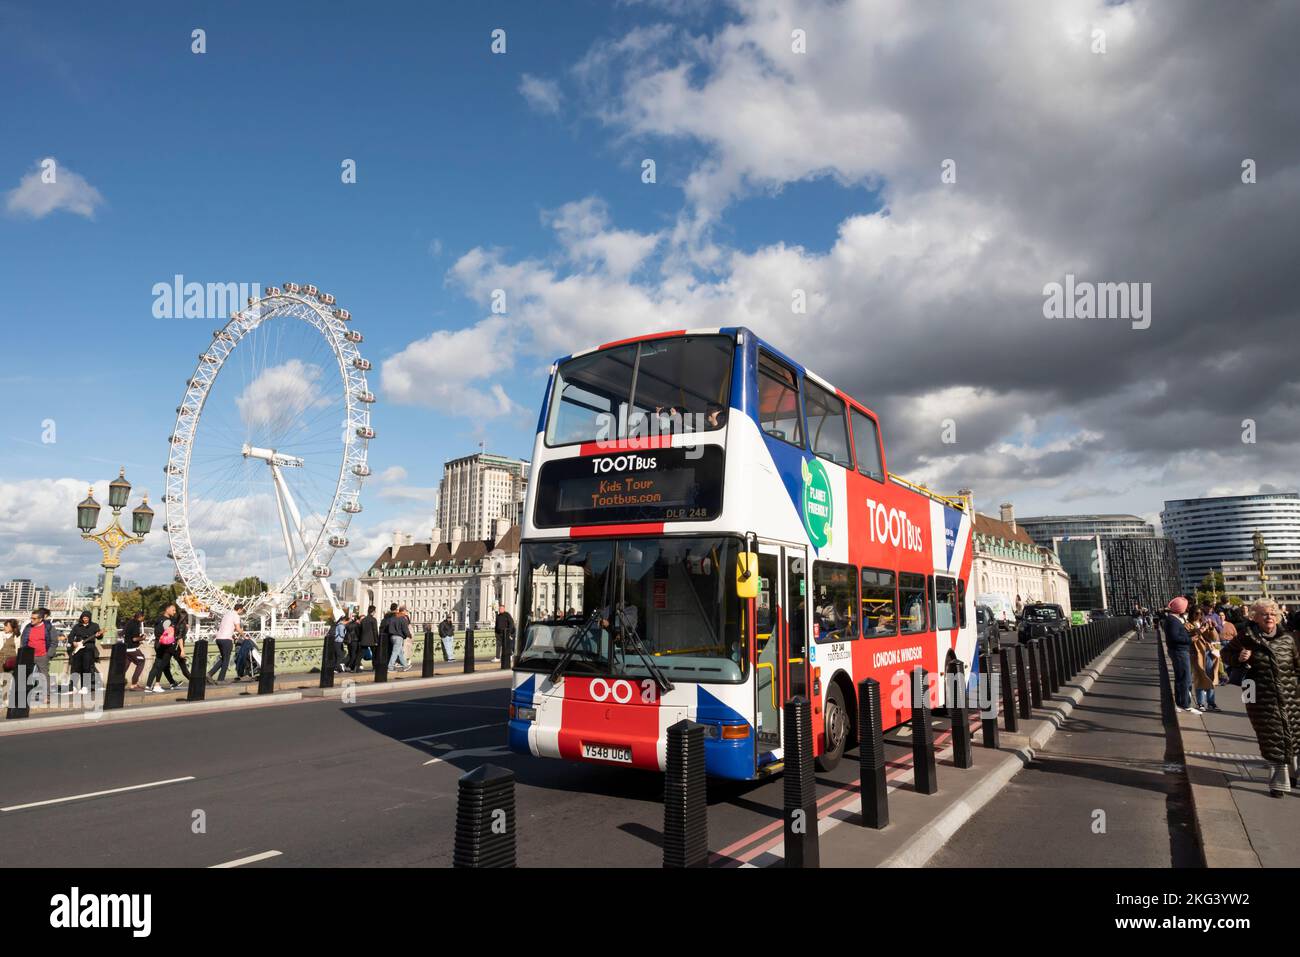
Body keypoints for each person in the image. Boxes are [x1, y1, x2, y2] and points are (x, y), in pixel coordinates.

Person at [1223, 598, 1300, 797]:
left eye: (1273, 613)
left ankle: (1294, 775)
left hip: (1291, 698)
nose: (1269, 617)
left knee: (1294, 738)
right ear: (1254, 617)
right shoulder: (1245, 638)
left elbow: (1297, 667)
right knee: (1272, 740)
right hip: (1260, 698)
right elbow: (1225, 655)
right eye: (1264, 614)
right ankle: (1279, 785)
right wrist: (1238, 658)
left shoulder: (1287, 639)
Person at [1164, 596, 1198, 713]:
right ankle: (1185, 704)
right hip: (1179, 651)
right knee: (1185, 678)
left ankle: (1181, 703)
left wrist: (1188, 637)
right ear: (1181, 608)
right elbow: (1175, 637)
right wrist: (1190, 639)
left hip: (1179, 650)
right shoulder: (1173, 621)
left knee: (1181, 677)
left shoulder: (1172, 619)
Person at [1189, 608, 1222, 712]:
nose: (1198, 615)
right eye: (1196, 613)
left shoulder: (1205, 623)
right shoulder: (1188, 625)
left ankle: (1211, 703)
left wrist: (1212, 628)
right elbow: (1190, 638)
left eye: (1200, 613)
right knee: (1200, 678)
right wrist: (1200, 631)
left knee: (1211, 677)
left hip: (1208, 653)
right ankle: (1201, 703)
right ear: (1192, 614)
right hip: (1197, 654)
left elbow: (1215, 638)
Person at [145, 606, 182, 693]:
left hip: (158, 643)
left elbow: (157, 632)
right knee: (160, 665)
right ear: (167, 609)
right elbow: (169, 633)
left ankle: (150, 685)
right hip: (166, 646)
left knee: (162, 665)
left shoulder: (159, 619)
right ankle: (156, 685)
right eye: (173, 610)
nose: (174, 612)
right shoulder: (168, 621)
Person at [65, 611, 103, 696]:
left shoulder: (95, 626)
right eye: (84, 618)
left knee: (86, 668)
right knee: (75, 668)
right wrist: (73, 642)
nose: (85, 619)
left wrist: (99, 634)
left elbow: (100, 637)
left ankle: (85, 687)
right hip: (78, 649)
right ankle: (73, 687)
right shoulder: (77, 626)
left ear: (89, 618)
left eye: (86, 618)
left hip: (89, 649)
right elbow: (71, 636)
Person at [208, 603, 245, 684]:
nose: (242, 612)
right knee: (226, 660)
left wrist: (233, 636)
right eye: (242, 610)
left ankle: (209, 674)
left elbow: (227, 627)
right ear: (239, 609)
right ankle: (220, 679)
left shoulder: (227, 614)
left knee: (223, 658)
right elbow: (238, 628)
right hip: (226, 640)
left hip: (219, 639)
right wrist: (245, 636)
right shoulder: (236, 616)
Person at [20, 608, 52, 689]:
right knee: (27, 673)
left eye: (47, 616)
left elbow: (50, 640)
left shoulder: (47, 626)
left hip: (42, 654)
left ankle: (42, 692)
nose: (46, 618)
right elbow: (24, 639)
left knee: (42, 674)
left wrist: (48, 653)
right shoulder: (28, 625)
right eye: (32, 618)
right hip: (28, 653)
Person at [121, 611, 148, 690]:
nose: (144, 618)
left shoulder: (129, 622)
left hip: (126, 649)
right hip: (132, 649)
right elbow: (134, 638)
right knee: (141, 661)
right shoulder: (136, 624)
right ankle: (134, 684)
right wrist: (142, 638)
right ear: (140, 617)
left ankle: (116, 681)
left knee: (126, 665)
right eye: (143, 617)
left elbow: (125, 634)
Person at [352, 606, 379, 672]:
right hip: (372, 640)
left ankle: (356, 667)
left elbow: (360, 630)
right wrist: (376, 640)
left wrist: (361, 639)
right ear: (373, 612)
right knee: (374, 654)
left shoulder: (363, 620)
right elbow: (375, 631)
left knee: (360, 655)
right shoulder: (373, 620)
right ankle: (375, 667)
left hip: (363, 640)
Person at [387, 604, 412, 671]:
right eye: (406, 611)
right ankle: (390, 667)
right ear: (403, 611)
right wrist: (409, 635)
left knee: (400, 652)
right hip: (399, 637)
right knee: (395, 652)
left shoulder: (393, 618)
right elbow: (405, 629)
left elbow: (389, 627)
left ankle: (405, 666)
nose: (406, 612)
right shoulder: (402, 618)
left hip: (392, 636)